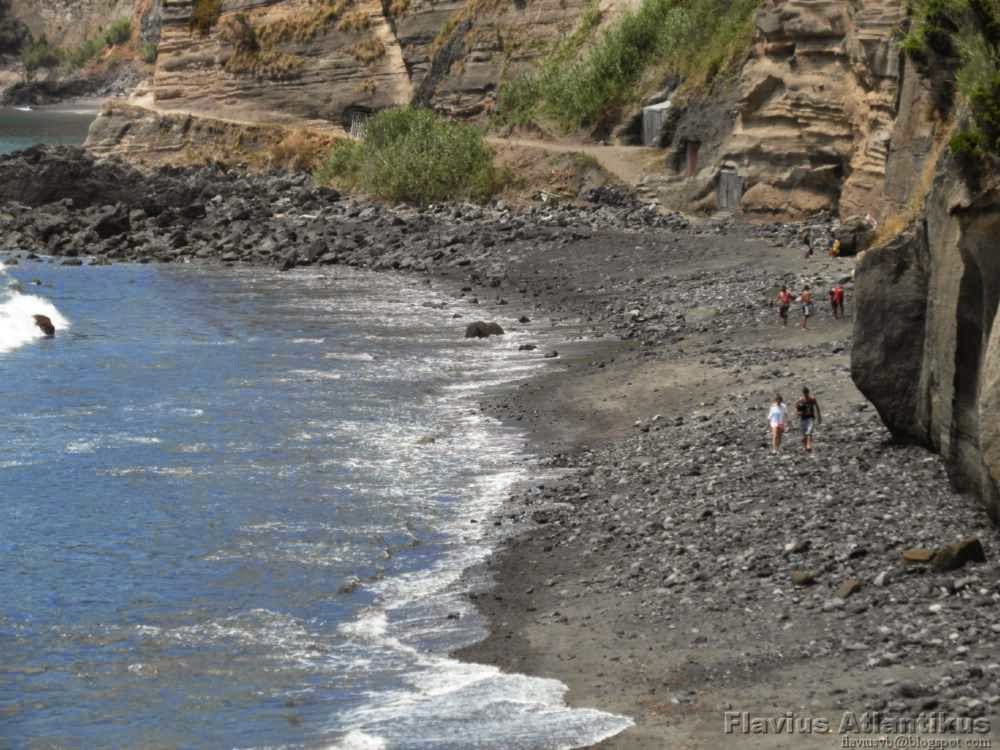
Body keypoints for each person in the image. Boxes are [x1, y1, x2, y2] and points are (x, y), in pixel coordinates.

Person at [796, 386, 822, 453]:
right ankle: (806, 448)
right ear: (803, 393)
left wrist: (819, 416)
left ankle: (808, 446)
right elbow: (796, 406)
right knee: (804, 435)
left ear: (808, 392)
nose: (806, 394)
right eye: (805, 393)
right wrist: (798, 412)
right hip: (803, 418)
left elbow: (817, 407)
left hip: (810, 417)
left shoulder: (812, 399)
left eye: (807, 393)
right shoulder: (801, 400)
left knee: (809, 432)